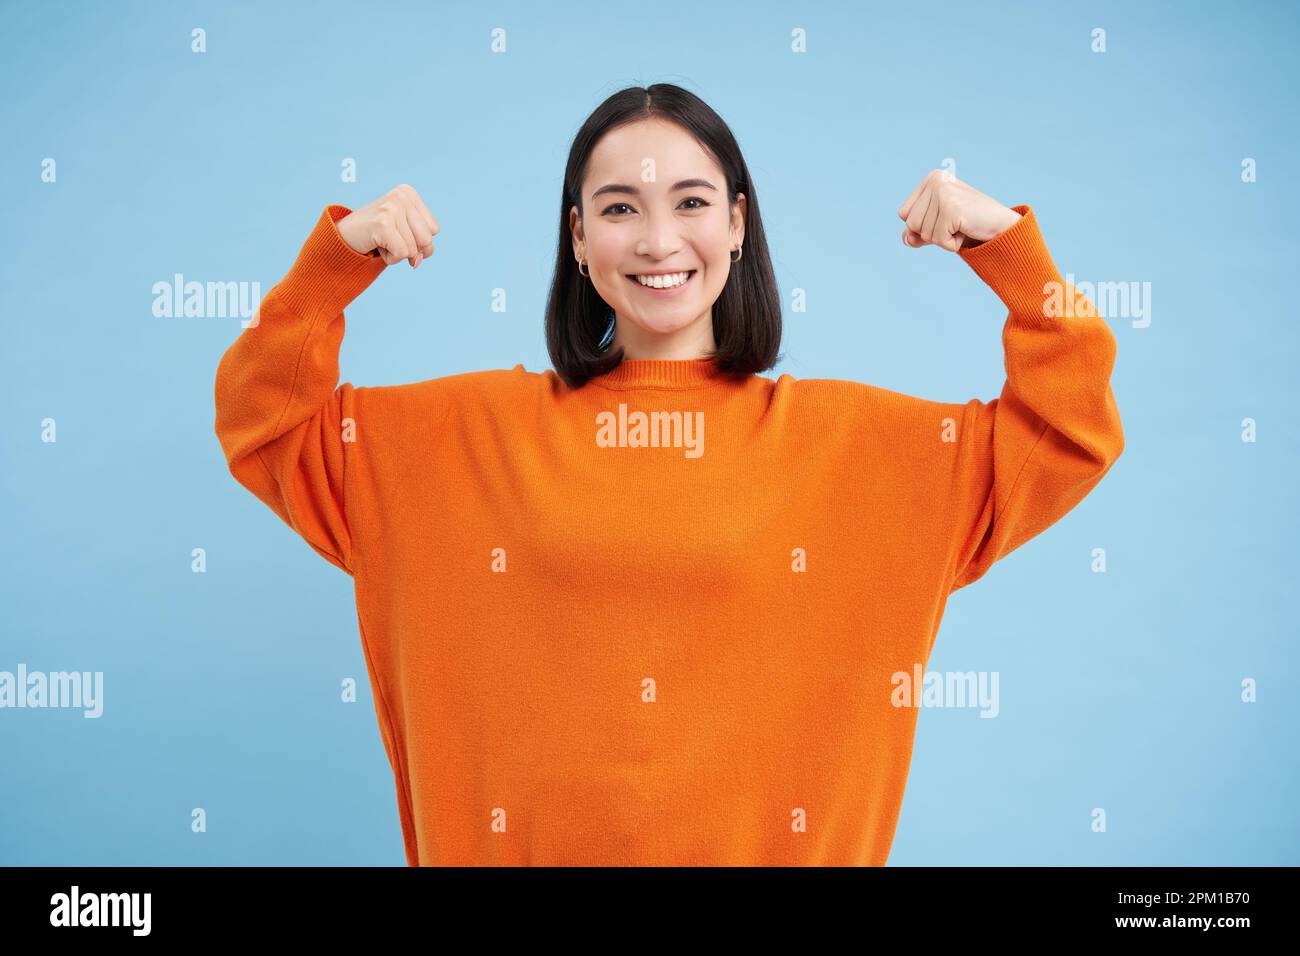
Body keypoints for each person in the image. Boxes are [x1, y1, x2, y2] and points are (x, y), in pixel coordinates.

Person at [213, 83, 1124, 866]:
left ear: (736, 223)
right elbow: (266, 420)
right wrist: (335, 266)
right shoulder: (453, 438)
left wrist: (1006, 248)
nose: (657, 240)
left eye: (691, 203)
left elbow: (1070, 425)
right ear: (577, 238)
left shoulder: (855, 448)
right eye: (618, 208)